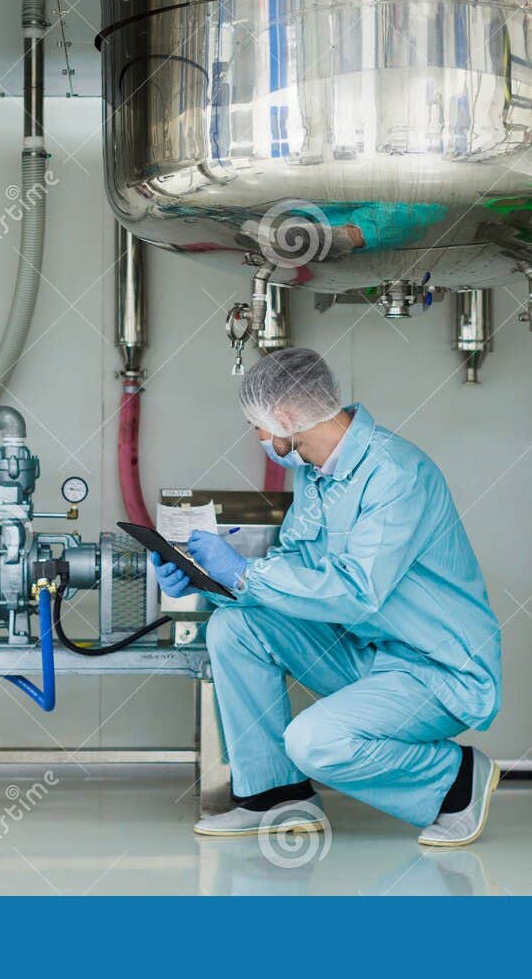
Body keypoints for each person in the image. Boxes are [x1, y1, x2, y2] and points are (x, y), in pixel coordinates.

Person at [152, 347, 502, 846]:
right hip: (367, 652)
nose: (258, 437)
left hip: (436, 670)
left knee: (313, 742)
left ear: (289, 417)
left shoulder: (395, 474)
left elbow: (358, 591)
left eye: (258, 424)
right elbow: (297, 567)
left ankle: (456, 779)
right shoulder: (315, 475)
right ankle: (276, 795)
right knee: (235, 628)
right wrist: (214, 582)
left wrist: (245, 575)